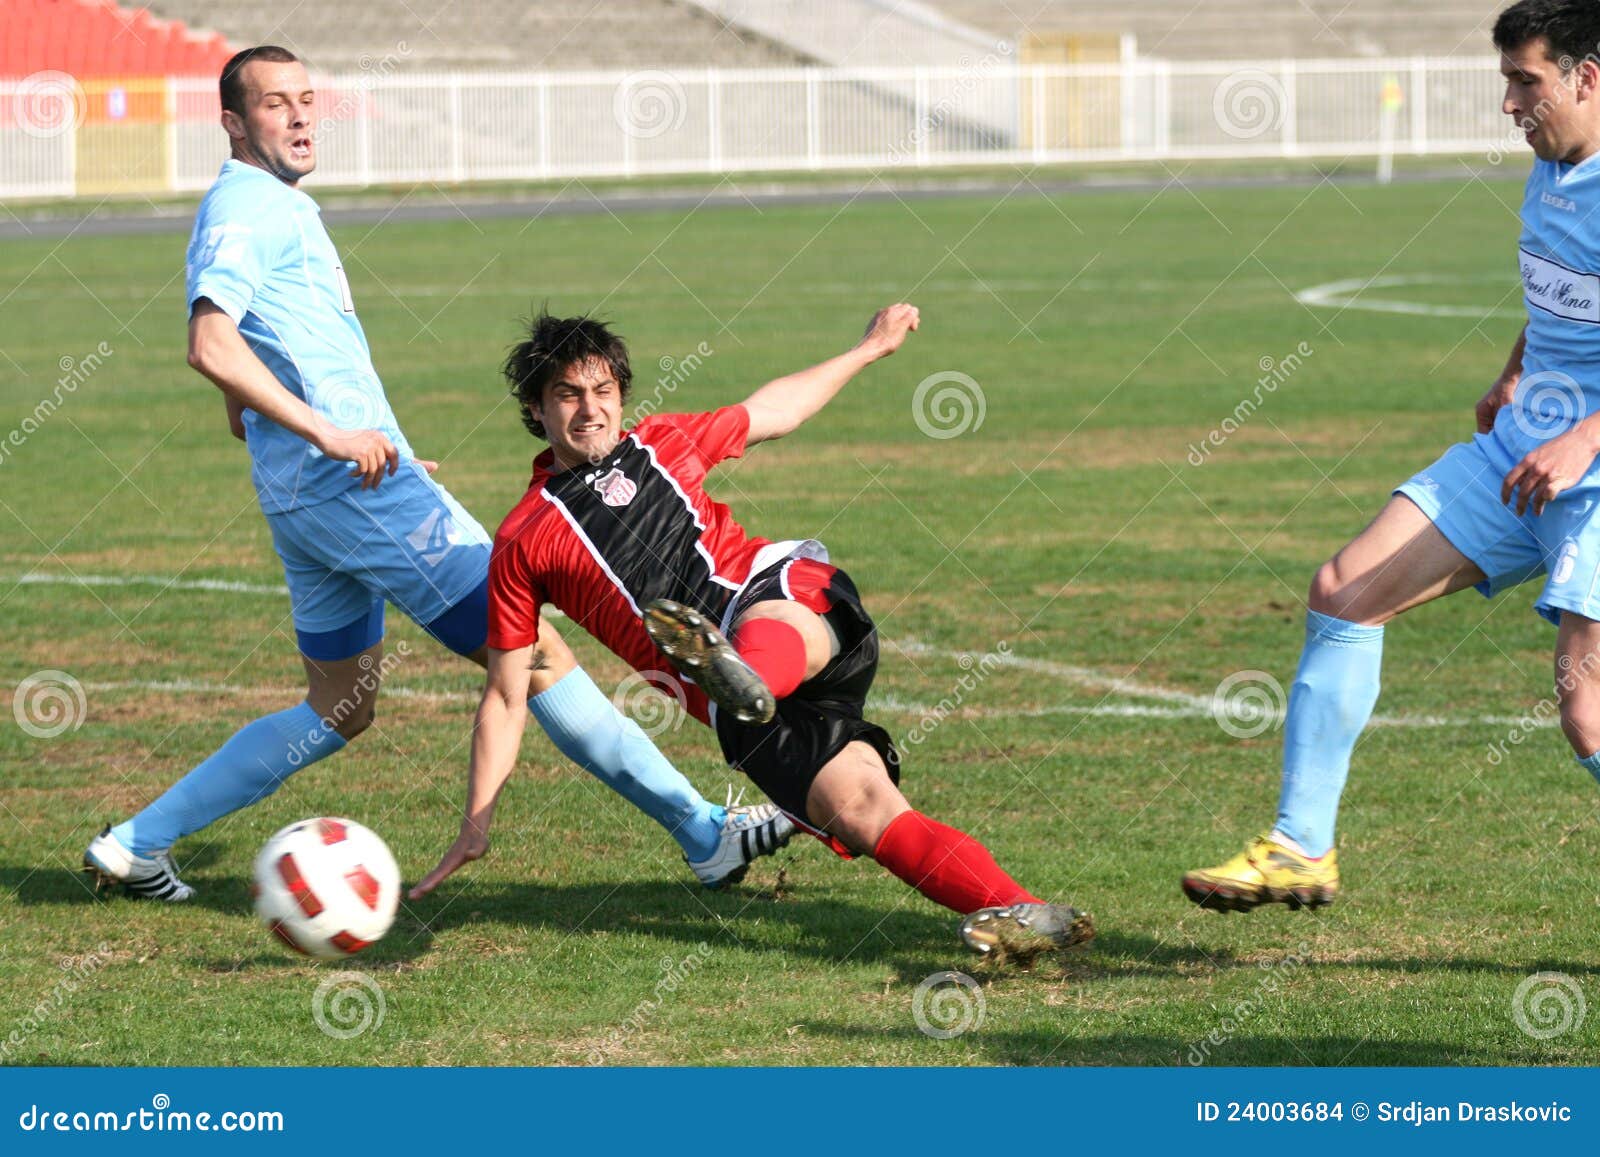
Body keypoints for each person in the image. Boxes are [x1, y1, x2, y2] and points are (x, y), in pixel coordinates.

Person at [83, 46, 791, 905]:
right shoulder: (248, 208)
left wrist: (320, 431)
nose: (302, 116)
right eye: (276, 105)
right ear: (233, 123)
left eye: (309, 99)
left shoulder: (266, 206)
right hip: (358, 490)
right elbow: (210, 345)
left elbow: (244, 378)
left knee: (340, 706)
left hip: (314, 498)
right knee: (532, 655)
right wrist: (335, 435)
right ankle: (705, 835)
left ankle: (134, 842)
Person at [409, 305, 1094, 960]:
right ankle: (1029, 914)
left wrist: (870, 348)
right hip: (743, 714)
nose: (590, 408)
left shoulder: (663, 441)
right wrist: (476, 821)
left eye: (604, 389)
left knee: (758, 624)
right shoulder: (524, 539)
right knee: (861, 809)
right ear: (535, 408)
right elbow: (506, 692)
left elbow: (777, 409)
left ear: (622, 395)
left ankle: (741, 673)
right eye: (567, 394)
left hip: (783, 604)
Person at [1184, 0, 1600, 912]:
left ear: (1587, 79)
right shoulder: (1556, 168)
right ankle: (1301, 845)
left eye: (1525, 82)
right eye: (1506, 82)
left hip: (1592, 470)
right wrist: (1512, 374)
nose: (1509, 104)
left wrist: (1585, 435)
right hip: (1522, 454)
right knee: (1346, 590)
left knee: (1586, 707)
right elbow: (1561, 301)